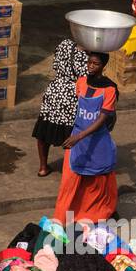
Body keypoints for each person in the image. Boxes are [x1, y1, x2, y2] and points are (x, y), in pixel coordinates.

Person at [53, 52, 120, 225]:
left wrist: (79, 136)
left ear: (103, 66)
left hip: (97, 141)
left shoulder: (109, 89)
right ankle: (62, 219)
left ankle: (100, 212)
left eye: (95, 63)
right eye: (89, 62)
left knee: (99, 179)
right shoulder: (81, 82)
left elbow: (103, 118)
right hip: (77, 138)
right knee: (69, 180)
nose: (90, 66)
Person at [32, 38, 89, 177]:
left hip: (54, 90)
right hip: (72, 94)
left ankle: (43, 167)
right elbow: (86, 77)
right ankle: (72, 170)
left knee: (44, 130)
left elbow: (56, 65)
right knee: (71, 133)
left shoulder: (65, 44)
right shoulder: (88, 55)